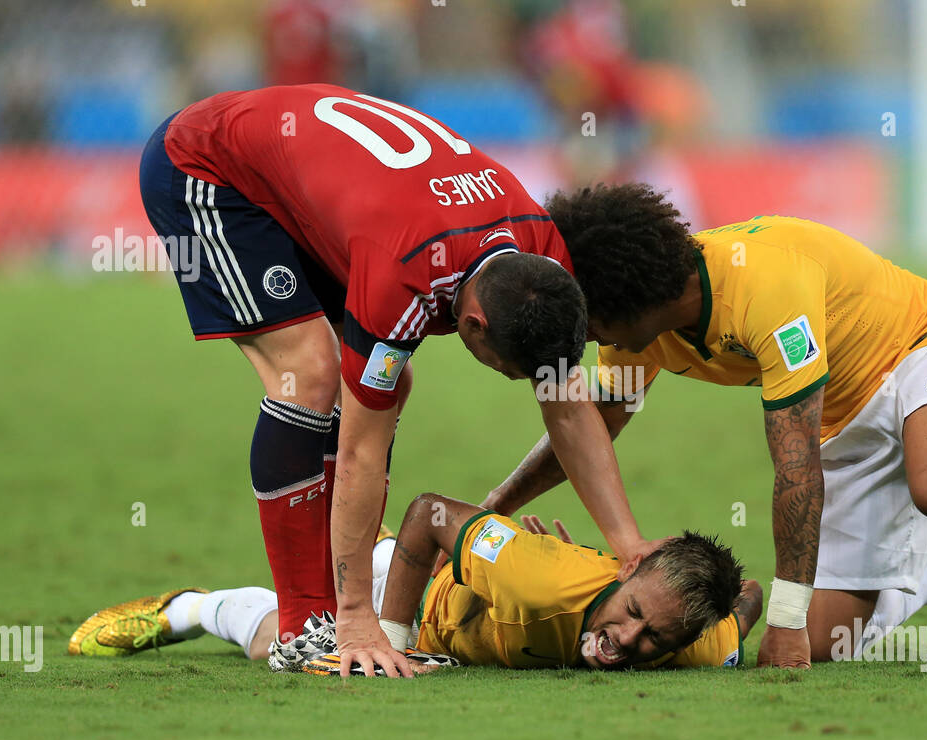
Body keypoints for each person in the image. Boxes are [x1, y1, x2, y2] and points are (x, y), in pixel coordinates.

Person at [483, 185, 927, 665]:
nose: (587, 336)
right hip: (842, 424)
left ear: (633, 301)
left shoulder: (764, 289)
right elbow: (585, 430)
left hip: (924, 351)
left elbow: (794, 466)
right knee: (821, 646)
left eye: (593, 320)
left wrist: (778, 613)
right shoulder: (635, 333)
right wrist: (492, 512)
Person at [138, 85, 659, 678]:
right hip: (206, 162)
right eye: (508, 371)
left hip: (328, 188)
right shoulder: (403, 284)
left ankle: (322, 604)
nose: (520, 382)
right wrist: (362, 617)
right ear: (471, 325)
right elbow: (361, 449)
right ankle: (309, 623)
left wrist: (629, 543)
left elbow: (567, 409)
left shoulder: (544, 255)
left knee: (391, 384)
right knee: (309, 375)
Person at [67, 502, 760, 673]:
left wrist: (767, 617)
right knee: (283, 640)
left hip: (452, 632)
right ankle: (184, 610)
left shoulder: (688, 641)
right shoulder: (540, 578)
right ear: (626, 568)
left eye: (654, 637)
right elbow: (430, 512)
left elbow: (748, 603)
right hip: (404, 578)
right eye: (632, 613)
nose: (628, 641)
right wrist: (382, 636)